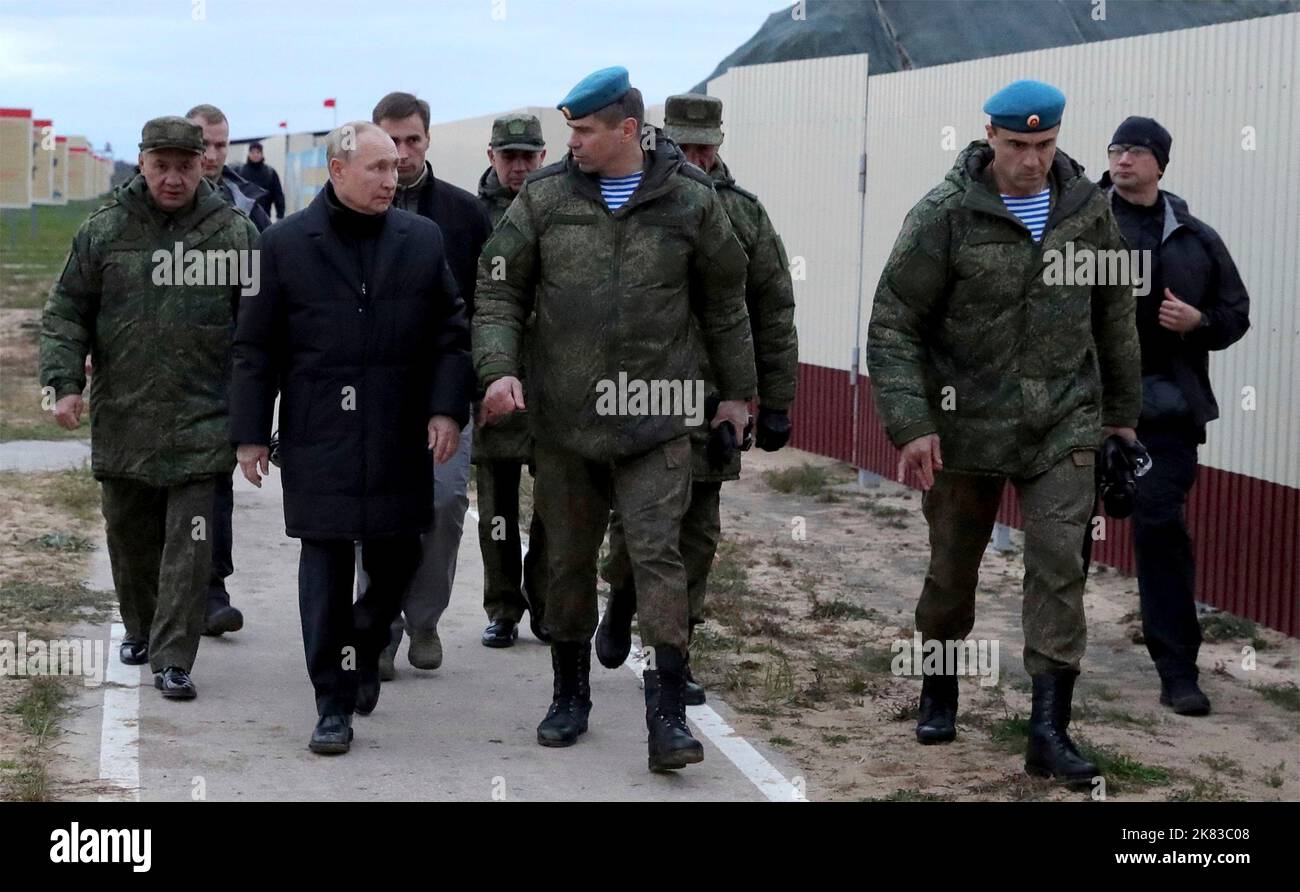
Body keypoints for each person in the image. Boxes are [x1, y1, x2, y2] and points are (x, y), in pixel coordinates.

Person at [474, 66, 756, 771]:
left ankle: (665, 715)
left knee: (658, 553)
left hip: (659, 419)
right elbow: (498, 291)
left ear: (628, 130)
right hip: (567, 421)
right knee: (567, 559)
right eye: (570, 130)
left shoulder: (690, 201)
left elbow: (725, 302)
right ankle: (570, 693)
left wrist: (737, 396)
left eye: (584, 131)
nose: (571, 144)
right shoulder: (543, 200)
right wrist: (499, 369)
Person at [867, 80, 1141, 782]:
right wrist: (911, 424)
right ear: (990, 135)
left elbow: (1113, 314)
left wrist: (1120, 420)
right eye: (1018, 145)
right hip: (964, 426)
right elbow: (896, 322)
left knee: (1057, 566)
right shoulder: (946, 215)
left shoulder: (1087, 213)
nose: (1032, 159)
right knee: (953, 570)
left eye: (1044, 145)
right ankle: (940, 683)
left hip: (1063, 422)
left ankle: (1049, 729)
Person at [229, 121, 473, 755]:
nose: (392, 180)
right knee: (328, 563)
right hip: (320, 433)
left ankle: (365, 646)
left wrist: (447, 410)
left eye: (395, 168)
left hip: (398, 430)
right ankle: (331, 702)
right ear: (338, 172)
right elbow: (255, 348)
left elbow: (451, 334)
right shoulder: (283, 245)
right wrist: (251, 435)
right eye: (377, 169)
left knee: (398, 558)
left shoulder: (421, 240)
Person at [40, 116, 259, 700]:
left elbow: (259, 328)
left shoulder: (232, 234)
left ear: (201, 167)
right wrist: (64, 384)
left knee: (189, 545)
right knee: (129, 534)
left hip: (201, 418)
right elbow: (66, 313)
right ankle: (139, 626)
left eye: (184, 166)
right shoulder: (105, 231)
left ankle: (172, 658)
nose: (172, 178)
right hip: (125, 415)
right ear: (142, 163)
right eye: (161, 165)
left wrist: (254, 418)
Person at [598, 93, 798, 705]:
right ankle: (623, 595)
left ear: (719, 143)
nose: (696, 157)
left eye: (706, 146)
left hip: (715, 401)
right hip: (644, 394)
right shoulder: (631, 200)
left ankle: (674, 657)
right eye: (684, 146)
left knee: (697, 534)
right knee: (640, 525)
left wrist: (776, 398)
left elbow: (773, 305)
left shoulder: (743, 214)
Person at [1099, 116, 1250, 716]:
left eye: (1137, 151)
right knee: (1067, 535)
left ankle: (1177, 670)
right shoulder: (1084, 225)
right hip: (1086, 409)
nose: (1123, 159)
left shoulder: (1194, 238)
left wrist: (1200, 324)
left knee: (1160, 530)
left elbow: (1235, 312)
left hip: (1165, 412)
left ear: (1160, 164)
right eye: (1116, 149)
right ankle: (1054, 668)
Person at [370, 92, 493, 677]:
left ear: (428, 139)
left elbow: (491, 307)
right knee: (378, 513)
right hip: (374, 393)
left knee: (444, 502)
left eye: (411, 140)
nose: (401, 153)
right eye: (389, 142)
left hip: (446, 388)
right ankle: (381, 626)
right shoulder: (357, 211)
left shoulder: (465, 215)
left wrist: (488, 379)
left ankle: (424, 617)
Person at [185, 103, 271, 640]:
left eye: (222, 145)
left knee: (214, 484)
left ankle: (213, 591)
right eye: (205, 144)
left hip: (222, 374)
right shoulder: (155, 205)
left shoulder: (246, 209)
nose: (214, 155)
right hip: (161, 374)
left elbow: (263, 297)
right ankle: (159, 596)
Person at [474, 112, 549, 648]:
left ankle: (546, 602)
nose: (519, 167)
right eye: (510, 157)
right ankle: (503, 606)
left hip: (552, 376)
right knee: (497, 505)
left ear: (543, 156)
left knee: (557, 501)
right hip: (495, 375)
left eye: (528, 156)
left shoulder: (560, 208)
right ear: (492, 157)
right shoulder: (472, 216)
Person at [238, 141, 286, 222]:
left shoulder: (270, 173)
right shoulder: (241, 171)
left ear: (262, 154)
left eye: (258, 152)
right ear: (249, 154)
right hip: (244, 217)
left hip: (264, 216)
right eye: (253, 152)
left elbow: (278, 195)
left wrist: (280, 216)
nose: (255, 155)